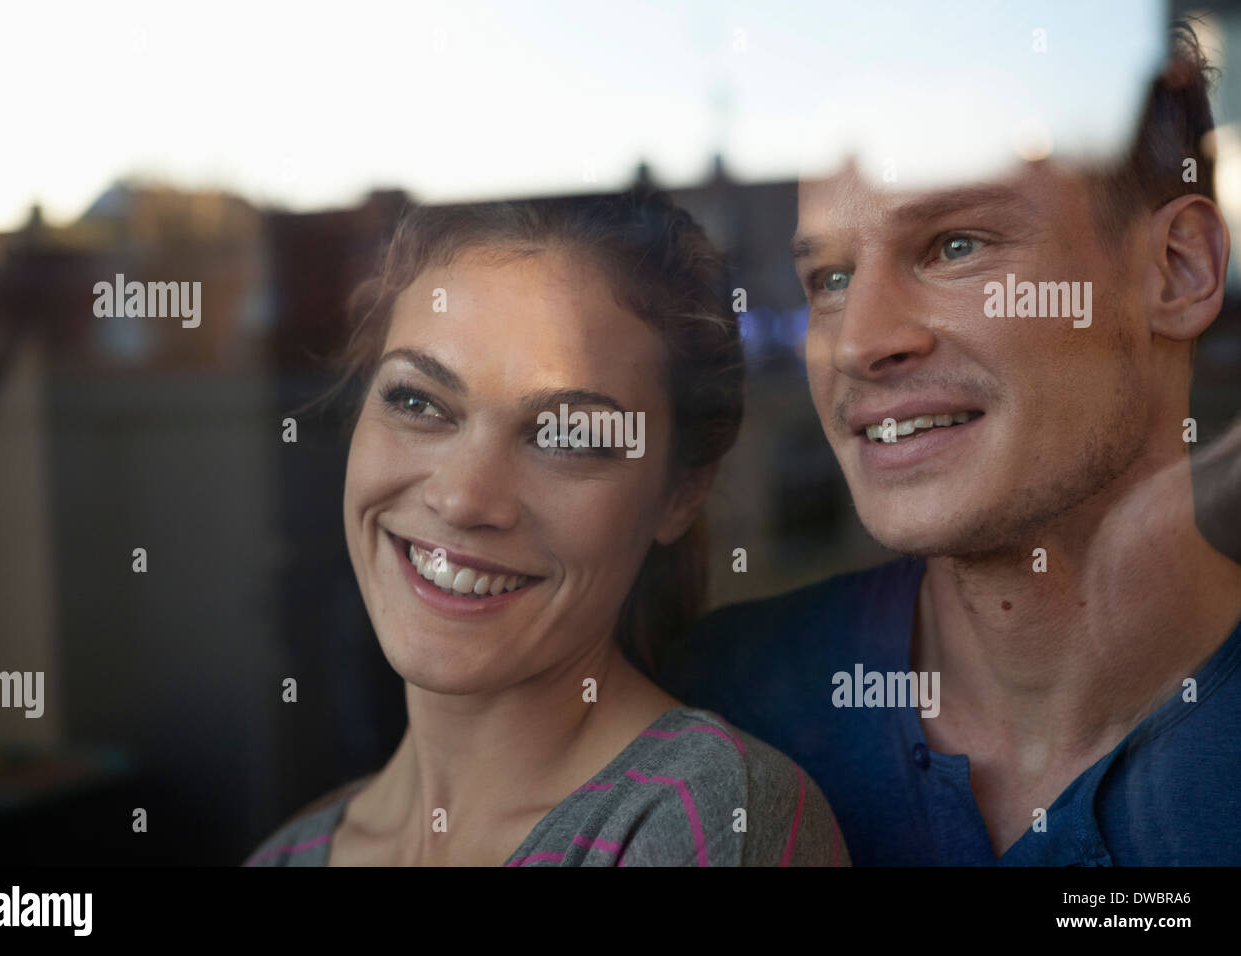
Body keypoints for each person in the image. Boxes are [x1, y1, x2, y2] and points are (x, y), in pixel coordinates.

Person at [660, 23, 1241, 865]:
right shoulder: (717, 714)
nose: (859, 341)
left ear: (1179, 269)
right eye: (829, 279)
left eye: (955, 245)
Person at [245, 189, 846, 866]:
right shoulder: (286, 856)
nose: (464, 498)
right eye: (417, 401)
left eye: (567, 436)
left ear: (680, 493)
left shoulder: (706, 821)